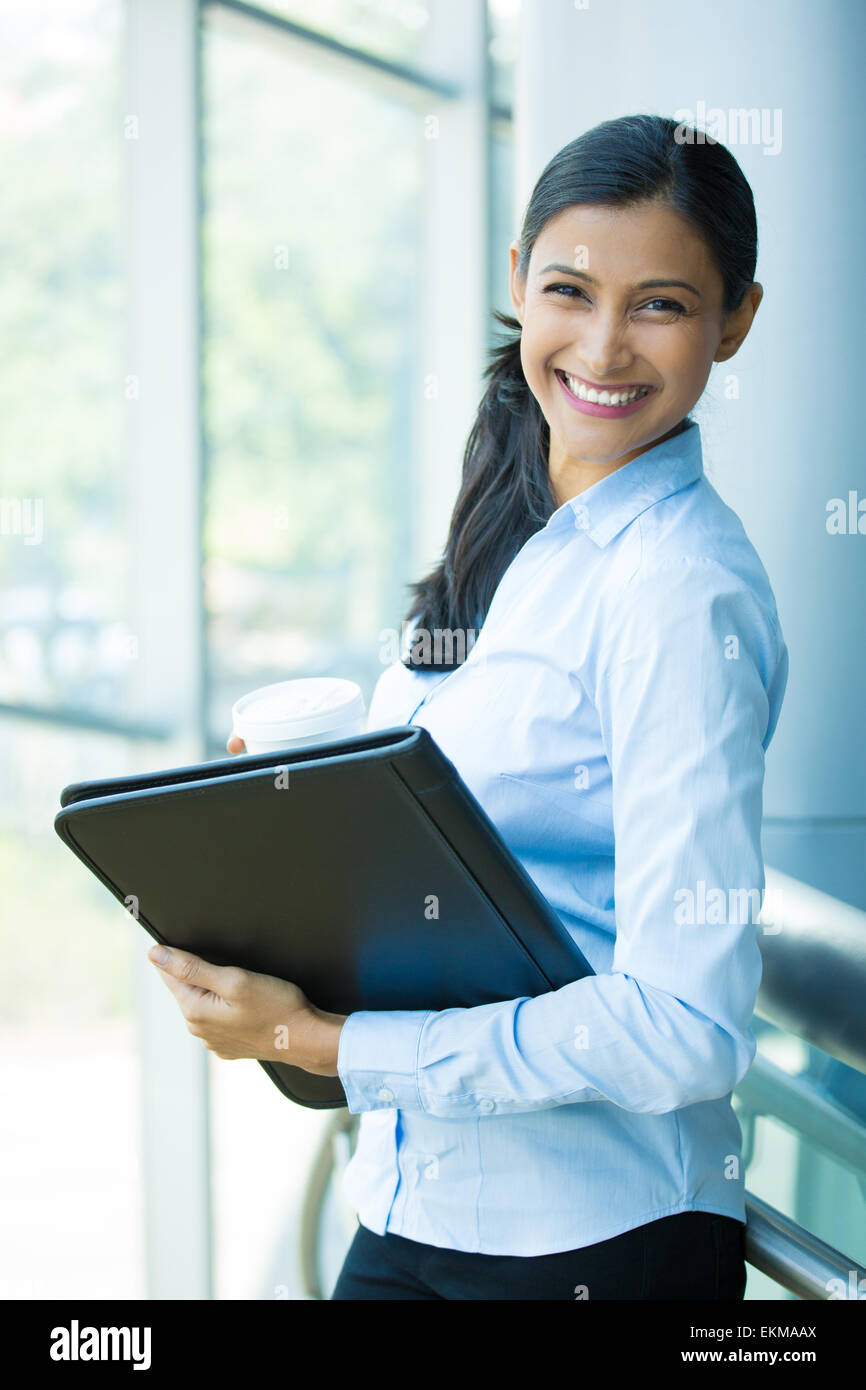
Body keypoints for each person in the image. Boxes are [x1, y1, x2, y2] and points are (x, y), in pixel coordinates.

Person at [150, 113, 789, 1300]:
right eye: (568, 290)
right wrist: (288, 829)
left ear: (734, 319)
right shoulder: (513, 520)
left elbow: (686, 1026)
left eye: (659, 304)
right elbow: (482, 827)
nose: (602, 346)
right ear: (516, 281)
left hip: (590, 1245)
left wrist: (327, 1047)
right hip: (416, 1202)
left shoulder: (677, 590)